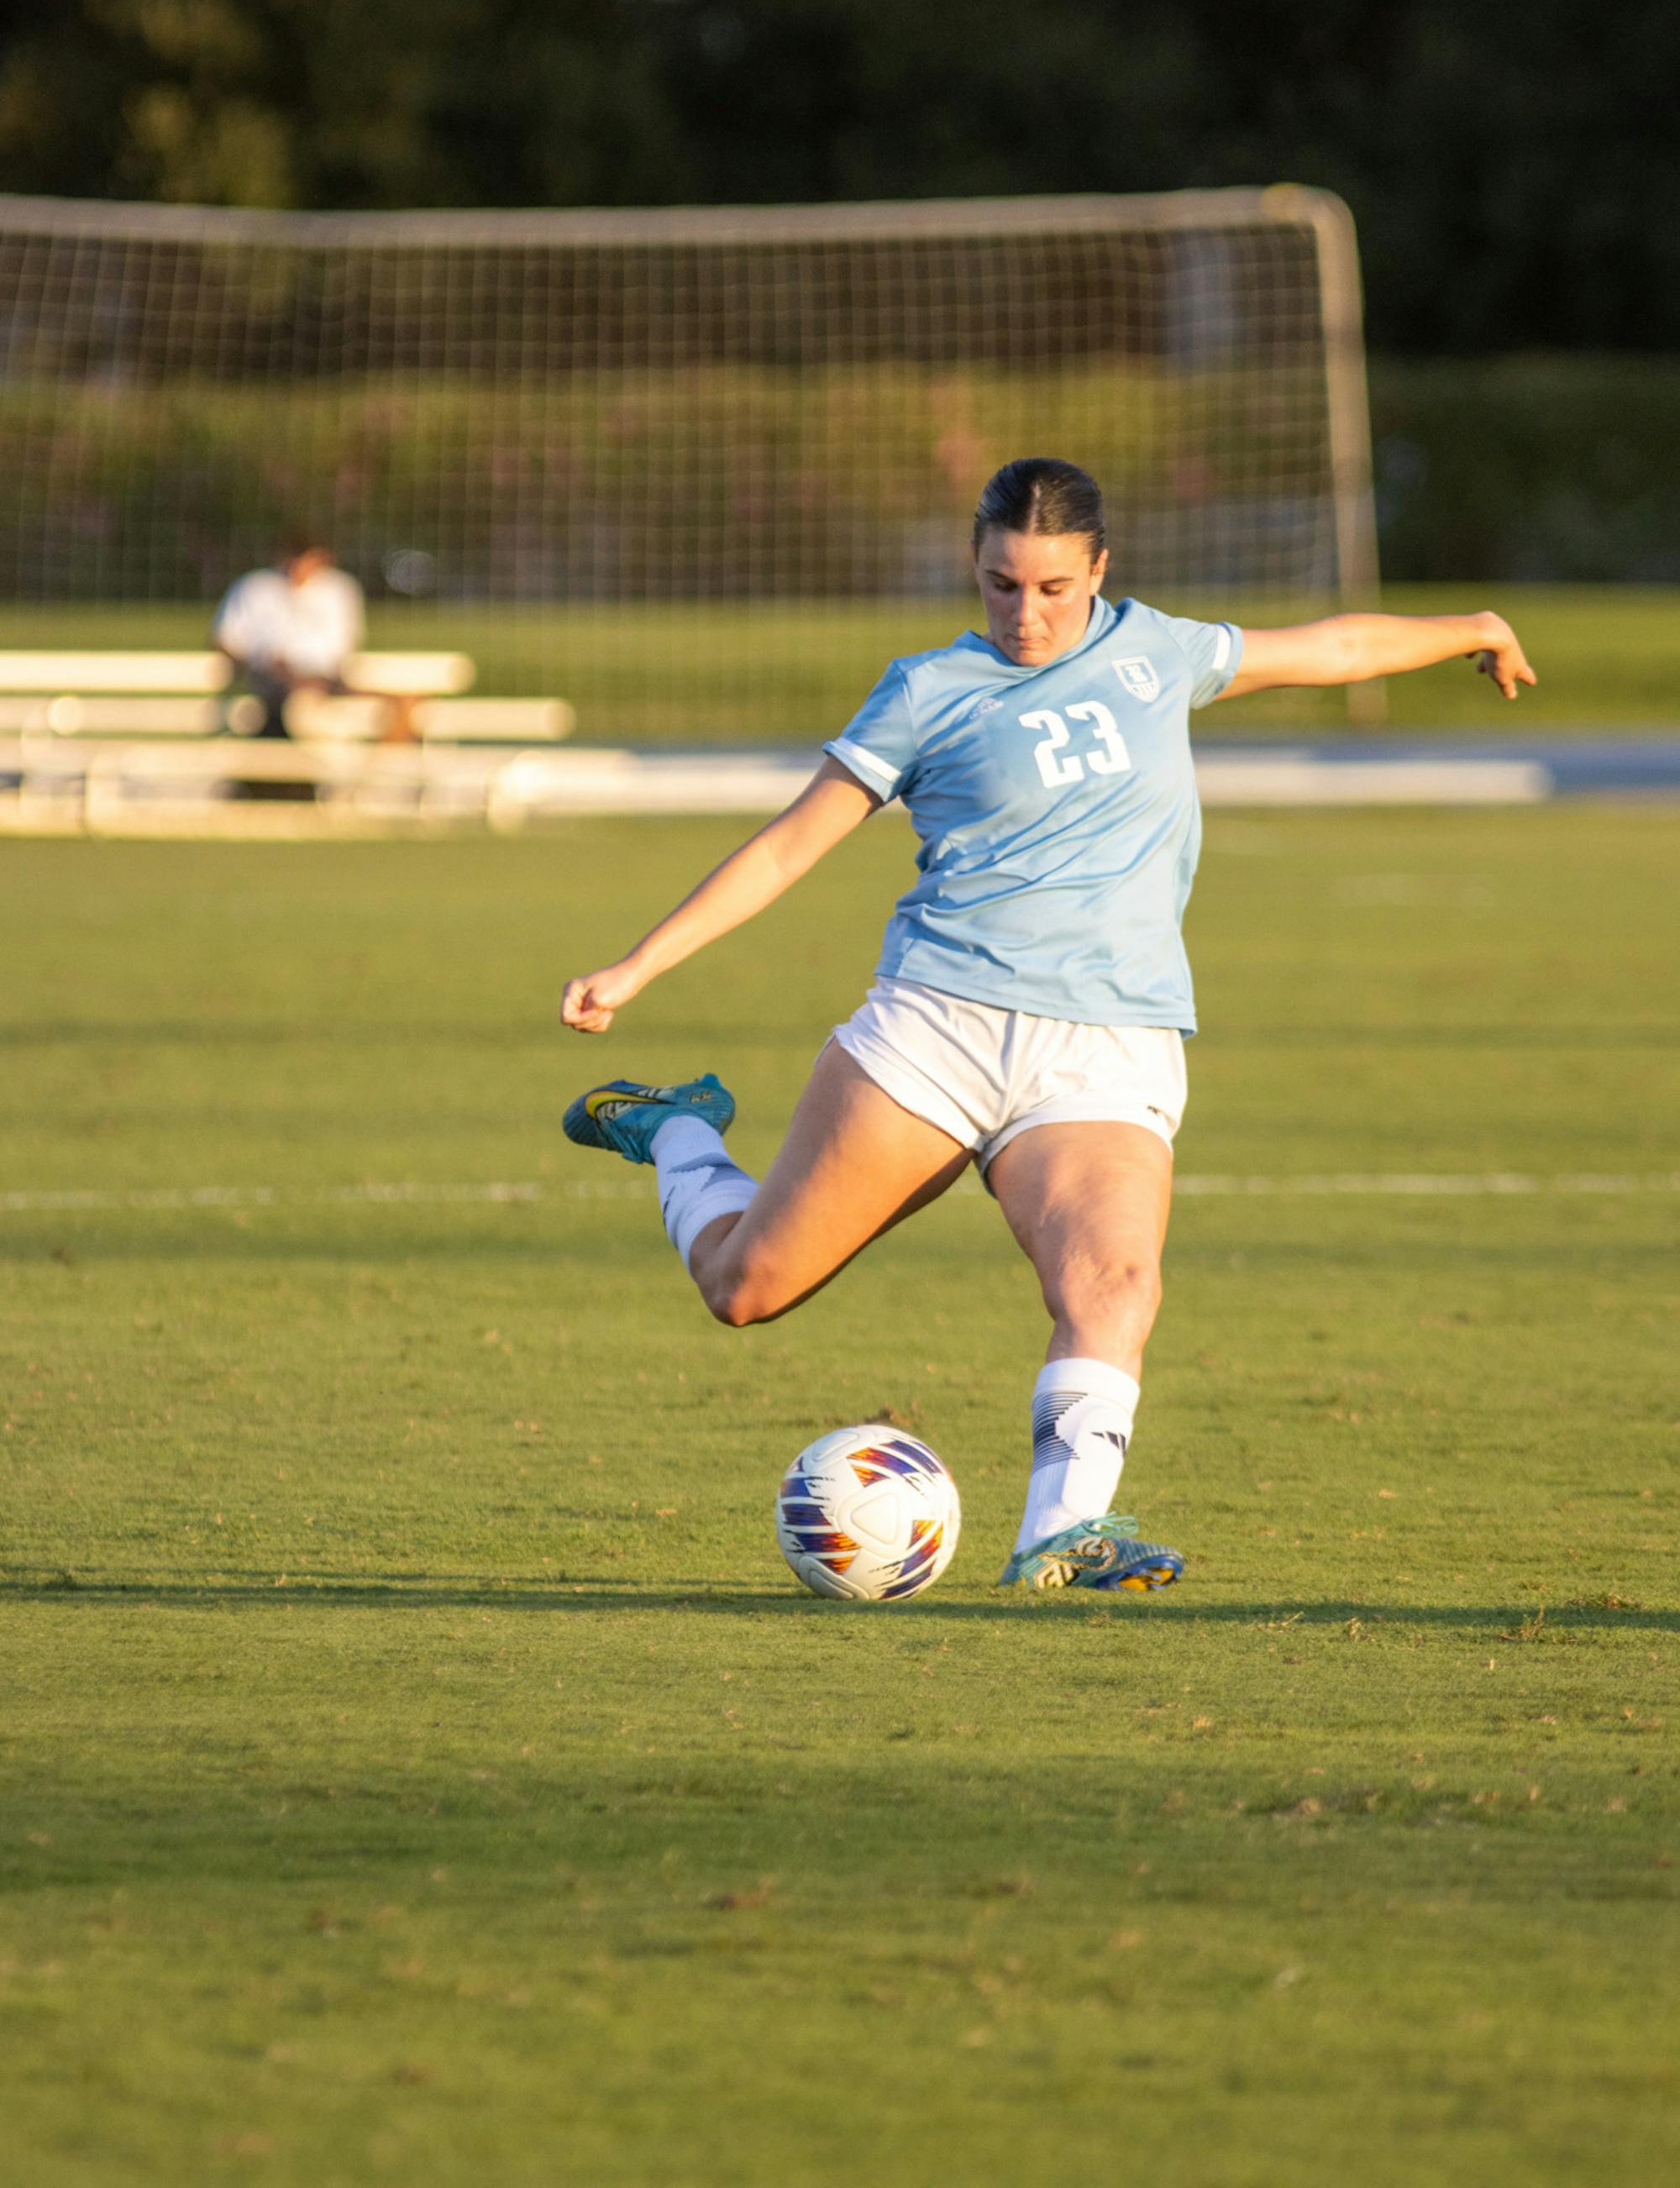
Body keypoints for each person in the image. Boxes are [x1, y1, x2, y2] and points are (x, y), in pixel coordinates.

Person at [560, 459, 1536, 1593]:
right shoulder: (927, 691)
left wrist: (1471, 624)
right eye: (1001, 586)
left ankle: (1064, 1531)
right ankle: (677, 1131)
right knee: (747, 1287)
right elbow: (790, 843)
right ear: (975, 571)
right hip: (940, 1029)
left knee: (1114, 1283)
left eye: (1053, 589)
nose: (1026, 613)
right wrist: (639, 963)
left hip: (1110, 1045)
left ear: (1101, 571)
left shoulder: (1159, 653)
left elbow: (1331, 649)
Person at [212, 534, 365, 737]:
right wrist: (255, 668)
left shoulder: (339, 589)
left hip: (323, 681)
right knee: (296, 698)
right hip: (272, 682)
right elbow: (224, 639)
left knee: (402, 704)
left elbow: (342, 649)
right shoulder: (255, 588)